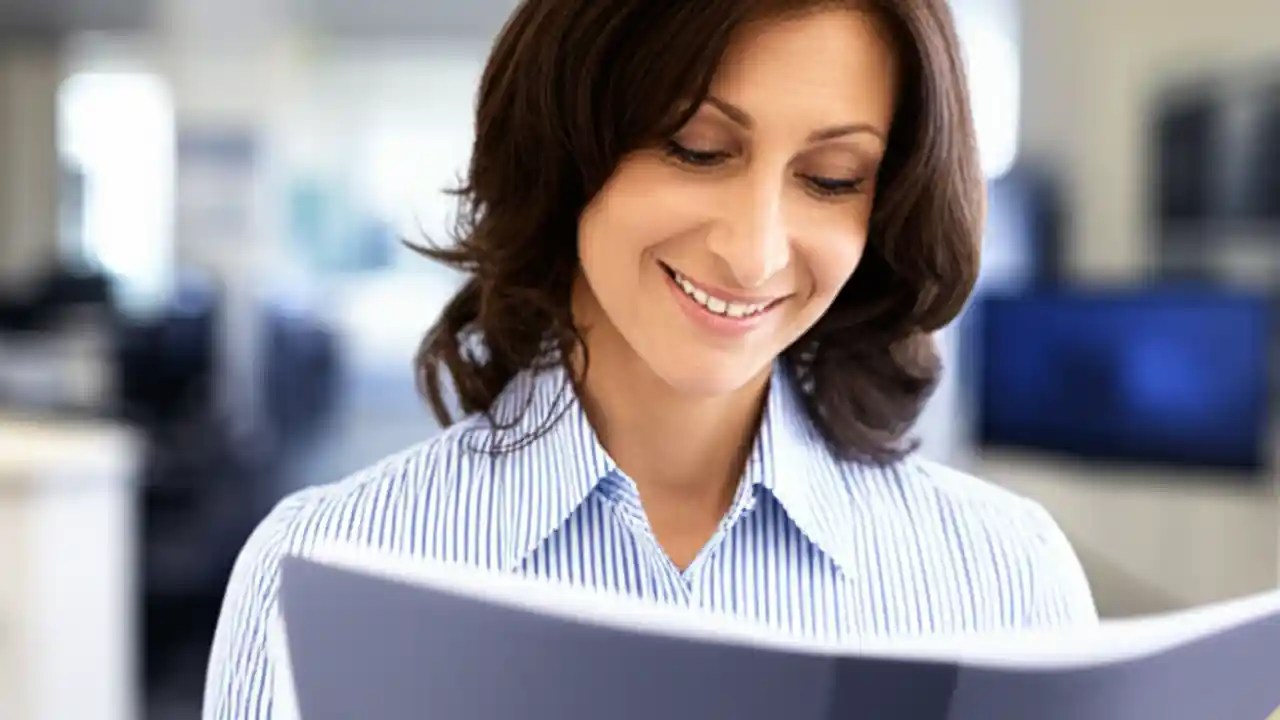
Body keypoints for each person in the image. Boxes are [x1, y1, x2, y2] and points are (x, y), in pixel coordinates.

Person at [203, 0, 1098, 717]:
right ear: (569, 146)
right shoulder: (323, 568)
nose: (754, 253)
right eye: (697, 148)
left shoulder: (1004, 575)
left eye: (830, 178)